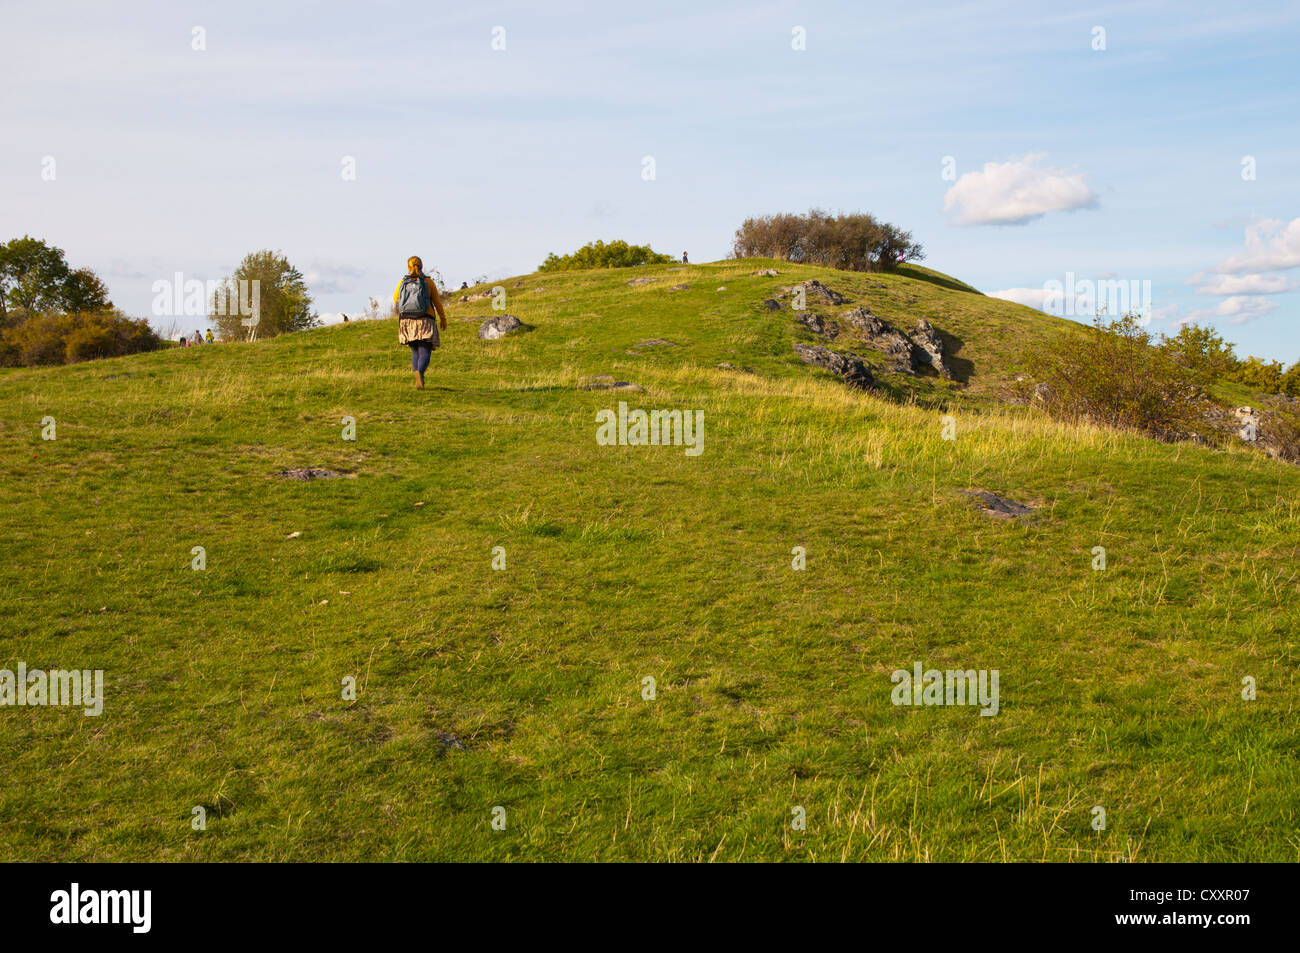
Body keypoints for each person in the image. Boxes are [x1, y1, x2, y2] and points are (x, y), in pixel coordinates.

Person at [393, 255, 447, 390]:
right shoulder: (428, 282)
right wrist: (443, 318)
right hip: (425, 319)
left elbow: (396, 299)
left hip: (407, 321)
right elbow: (437, 302)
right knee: (425, 350)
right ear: (421, 266)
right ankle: (420, 372)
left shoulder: (403, 281)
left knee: (415, 351)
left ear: (408, 267)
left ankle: (417, 373)